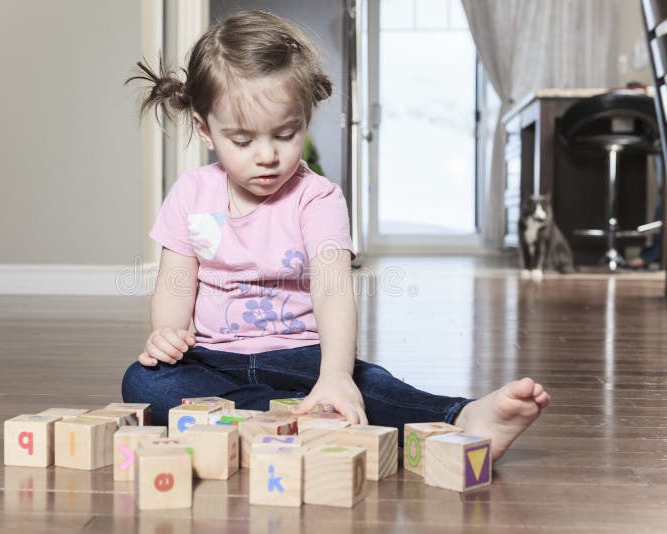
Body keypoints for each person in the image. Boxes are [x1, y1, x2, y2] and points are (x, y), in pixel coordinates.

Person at [121, 10, 550, 461]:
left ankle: (460, 417)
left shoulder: (318, 197)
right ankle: (287, 421)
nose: (266, 156)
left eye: (285, 135)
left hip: (304, 357)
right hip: (215, 360)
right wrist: (166, 334)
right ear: (205, 129)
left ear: (305, 119)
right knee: (143, 380)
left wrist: (336, 375)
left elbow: (332, 289)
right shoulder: (192, 192)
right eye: (243, 141)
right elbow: (175, 281)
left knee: (371, 384)